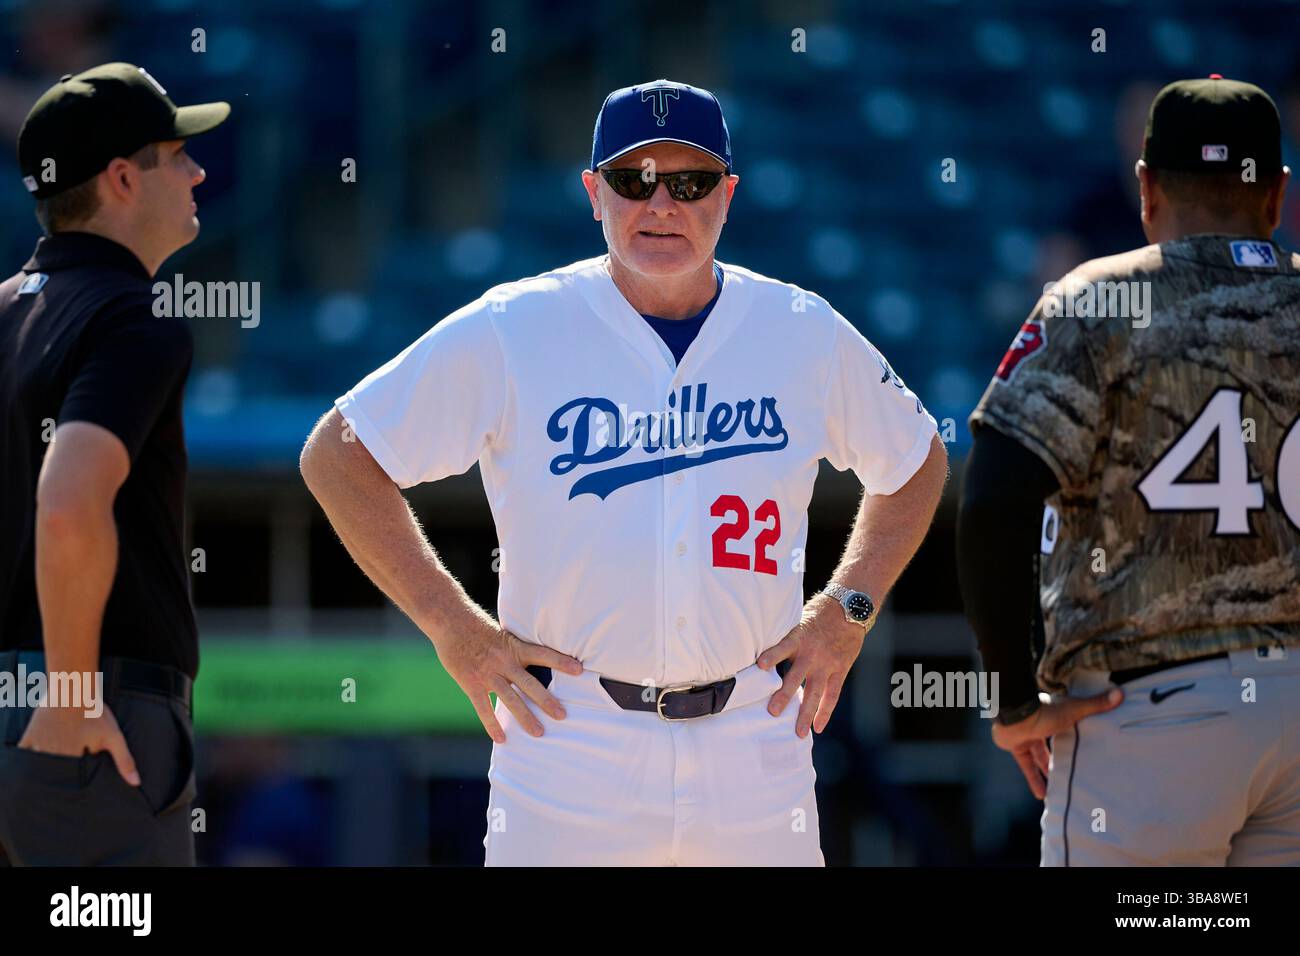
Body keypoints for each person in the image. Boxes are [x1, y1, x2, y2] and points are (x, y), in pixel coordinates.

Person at [301, 79, 947, 866]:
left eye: (690, 182)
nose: (660, 204)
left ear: (728, 195)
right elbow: (338, 454)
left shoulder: (800, 331)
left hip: (754, 738)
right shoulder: (517, 325)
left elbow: (917, 462)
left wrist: (847, 609)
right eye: (633, 180)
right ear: (593, 192)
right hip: (568, 740)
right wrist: (452, 625)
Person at [958, 75, 1300, 866]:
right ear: (1277, 196)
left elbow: (995, 499)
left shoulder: (1097, 300)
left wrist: (1011, 696)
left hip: (1153, 713)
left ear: (1146, 190)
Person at [0, 63, 228, 865]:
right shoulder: (135, 319)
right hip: (90, 720)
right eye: (178, 155)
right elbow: (68, 503)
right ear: (124, 178)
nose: (199, 171)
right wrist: (69, 692)